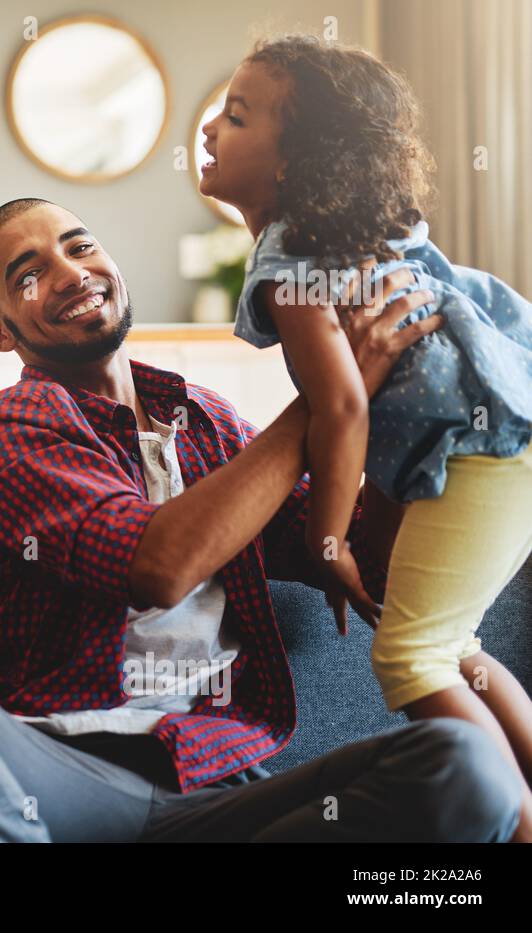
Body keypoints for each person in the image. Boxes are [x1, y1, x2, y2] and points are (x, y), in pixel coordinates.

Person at [0, 197, 524, 842]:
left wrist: (404, 411)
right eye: (29, 272)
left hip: (220, 790)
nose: (68, 272)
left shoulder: (210, 423)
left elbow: (366, 561)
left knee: (467, 766)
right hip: (52, 778)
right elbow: (158, 565)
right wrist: (332, 390)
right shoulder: (0, 428)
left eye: (81, 246)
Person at [201, 34, 532, 840]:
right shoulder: (346, 242)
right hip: (499, 442)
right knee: (450, 646)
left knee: (410, 659)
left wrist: (329, 538)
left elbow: (342, 407)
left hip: (484, 456)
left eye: (237, 116)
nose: (210, 127)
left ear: (292, 164)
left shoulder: (289, 263)